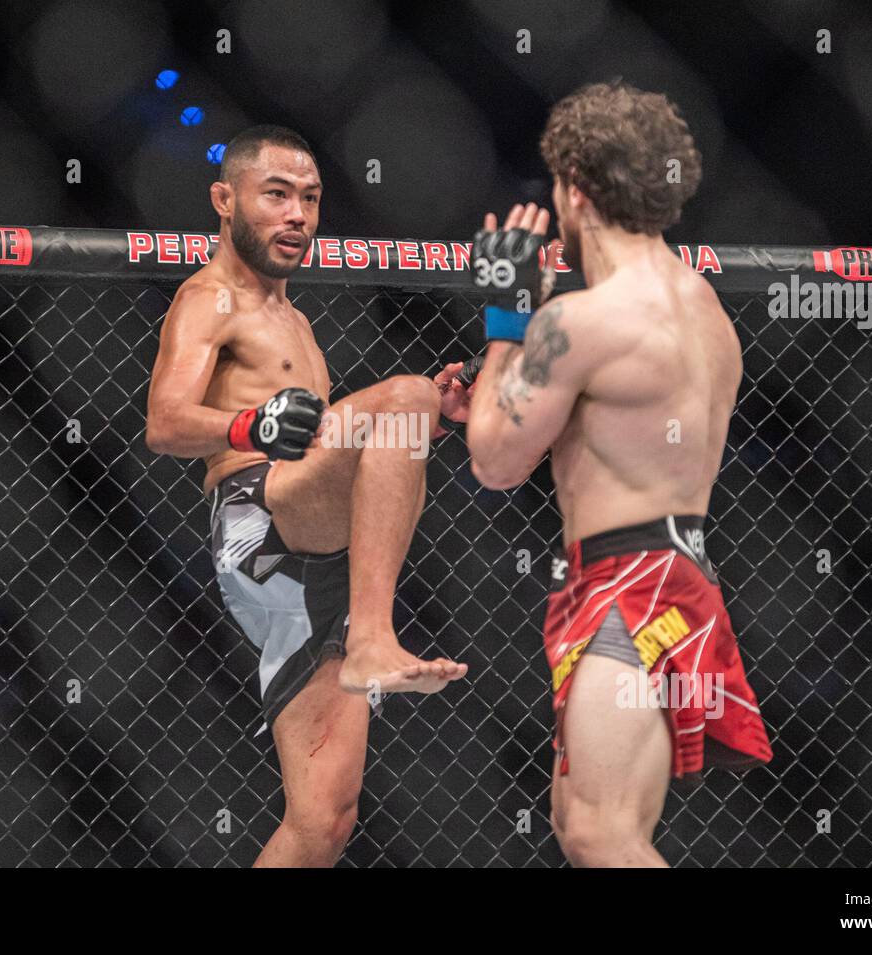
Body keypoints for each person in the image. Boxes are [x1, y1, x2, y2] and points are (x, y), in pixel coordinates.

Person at [465, 82, 772, 867]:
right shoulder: (705, 311)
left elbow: (496, 460)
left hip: (629, 588)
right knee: (586, 823)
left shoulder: (582, 322)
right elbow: (596, 430)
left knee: (603, 833)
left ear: (576, 190)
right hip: (678, 575)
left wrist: (508, 316)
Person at [144, 124, 469, 866]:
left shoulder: (293, 317)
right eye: (277, 195)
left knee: (323, 818)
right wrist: (249, 421)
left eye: (311, 199)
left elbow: (354, 449)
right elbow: (164, 423)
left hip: (310, 567)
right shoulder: (210, 298)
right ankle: (375, 638)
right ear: (225, 200)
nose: (298, 215)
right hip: (261, 521)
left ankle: (367, 632)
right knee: (409, 390)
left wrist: (428, 424)